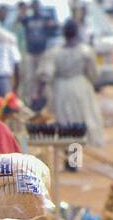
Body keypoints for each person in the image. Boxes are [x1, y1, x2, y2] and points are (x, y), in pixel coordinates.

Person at [40, 19, 104, 153]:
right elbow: (93, 73)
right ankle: (75, 156)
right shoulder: (85, 51)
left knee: (64, 122)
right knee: (80, 121)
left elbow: (46, 74)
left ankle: (69, 155)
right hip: (80, 87)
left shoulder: (55, 53)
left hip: (61, 89)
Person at [19, 0, 59, 109]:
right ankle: (31, 103)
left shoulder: (45, 17)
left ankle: (45, 103)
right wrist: (24, 9)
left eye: (37, 6)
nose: (35, 8)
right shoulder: (28, 18)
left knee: (43, 77)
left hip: (43, 52)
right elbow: (20, 20)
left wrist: (52, 25)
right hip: (31, 53)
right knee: (30, 79)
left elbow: (55, 28)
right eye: (34, 6)